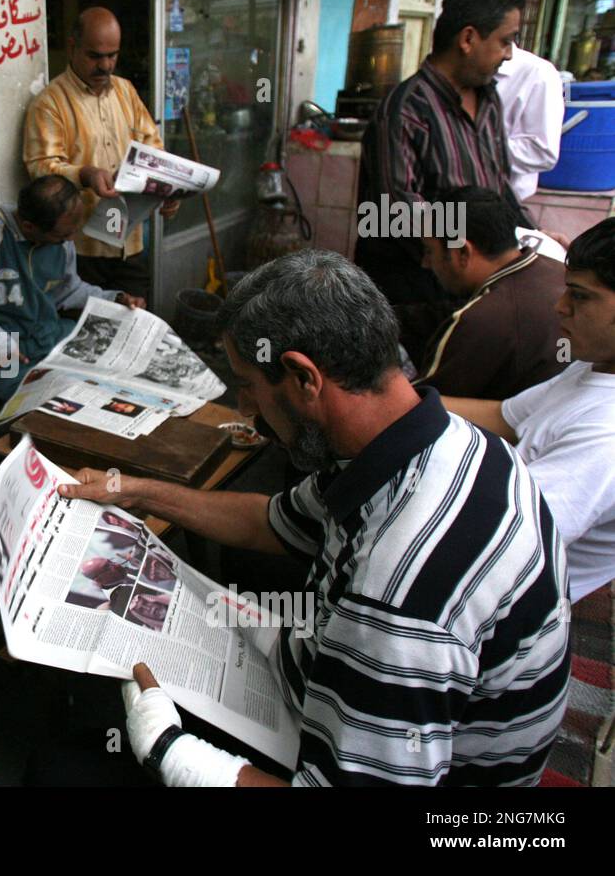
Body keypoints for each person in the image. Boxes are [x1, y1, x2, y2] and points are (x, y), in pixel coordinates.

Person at [60, 250, 569, 786]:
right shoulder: (452, 444)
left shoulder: (395, 595)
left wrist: (170, 752)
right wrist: (137, 491)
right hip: (354, 697)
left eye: (248, 387)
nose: (243, 409)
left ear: (304, 377)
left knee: (64, 768)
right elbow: (270, 521)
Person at [358, 0, 535, 358]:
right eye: (505, 40)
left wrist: (533, 237)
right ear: (468, 39)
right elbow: (397, 212)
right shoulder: (406, 110)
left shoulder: (489, 101)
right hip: (419, 290)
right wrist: (469, 251)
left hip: (473, 282)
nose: (509, 54)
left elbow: (499, 189)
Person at [444, 219, 615, 603]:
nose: (561, 307)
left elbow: (504, 534)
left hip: (498, 597)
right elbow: (504, 417)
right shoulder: (596, 368)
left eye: (580, 296)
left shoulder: (607, 437)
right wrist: (386, 398)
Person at [0, 175, 144, 403]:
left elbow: (67, 291)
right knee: (53, 401)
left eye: (73, 231)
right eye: (63, 235)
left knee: (118, 366)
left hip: (49, 335)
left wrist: (114, 299)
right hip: (8, 350)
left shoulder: (63, 236)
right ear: (29, 227)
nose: (71, 239)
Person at [24, 8, 181, 303]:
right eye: (95, 56)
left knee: (137, 324)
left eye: (113, 55)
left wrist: (168, 188)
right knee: (89, 335)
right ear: (72, 46)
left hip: (130, 241)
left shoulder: (126, 91)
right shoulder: (50, 102)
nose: (106, 65)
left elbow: (152, 148)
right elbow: (40, 168)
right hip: (82, 250)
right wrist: (85, 174)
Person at [415, 185, 566, 399]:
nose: (425, 263)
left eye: (430, 251)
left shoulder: (483, 318)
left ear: (462, 252)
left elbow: (422, 404)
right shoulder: (557, 269)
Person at [495, 43, 564, 204]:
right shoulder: (458, 67)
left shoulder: (538, 73)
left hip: (502, 199)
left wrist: (471, 147)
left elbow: (542, 151)